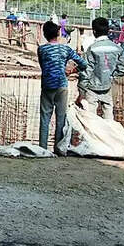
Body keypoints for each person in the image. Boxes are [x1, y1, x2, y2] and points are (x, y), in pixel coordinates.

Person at [37, 20, 88, 150]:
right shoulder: (66, 49)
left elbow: (44, 66)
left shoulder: (41, 49)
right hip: (62, 85)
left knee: (45, 117)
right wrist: (71, 70)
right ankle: (59, 148)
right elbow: (83, 64)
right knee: (61, 117)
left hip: (47, 85)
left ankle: (42, 148)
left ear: (44, 34)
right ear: (58, 33)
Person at [77, 17, 124, 120]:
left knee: (90, 120)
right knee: (109, 120)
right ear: (108, 30)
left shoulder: (92, 49)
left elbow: (86, 71)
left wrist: (81, 91)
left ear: (94, 31)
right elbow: (122, 69)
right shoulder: (118, 48)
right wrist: (110, 76)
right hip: (107, 87)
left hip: (91, 89)